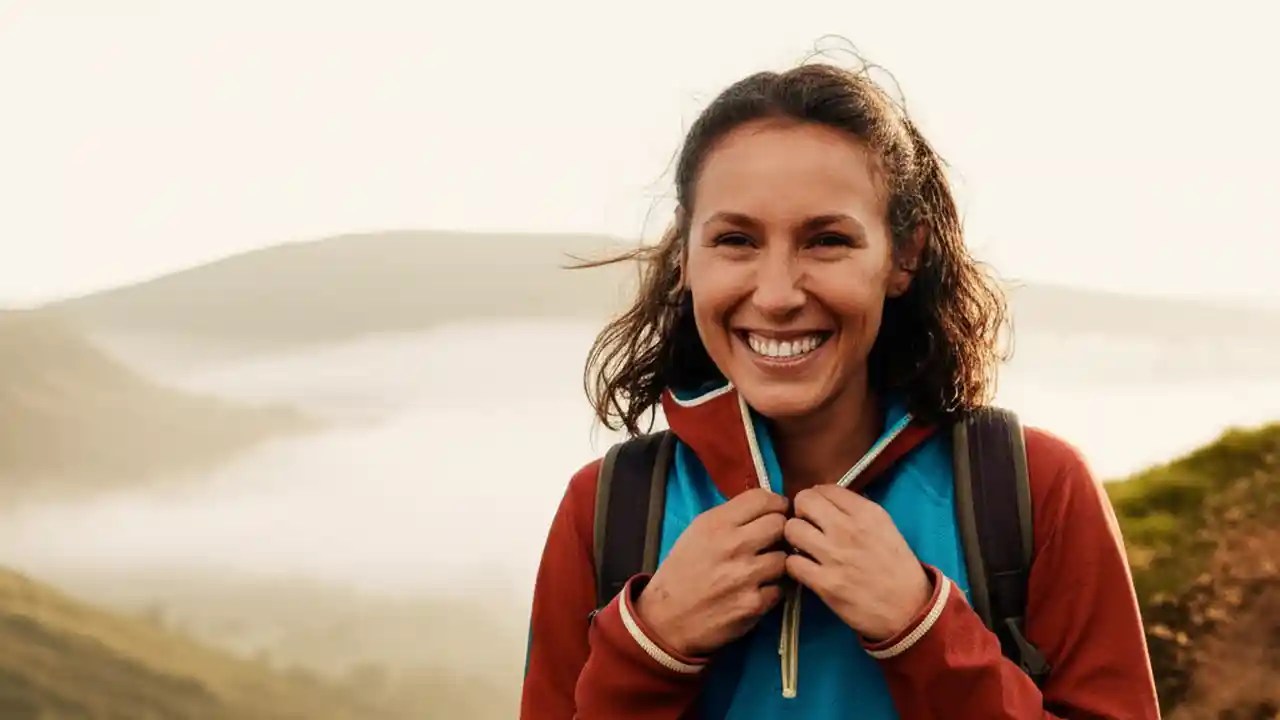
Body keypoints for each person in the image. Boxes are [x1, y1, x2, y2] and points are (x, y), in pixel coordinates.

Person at [520, 60, 1160, 719]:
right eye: (735, 239)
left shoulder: (1032, 488)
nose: (775, 295)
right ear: (685, 252)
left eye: (827, 241)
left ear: (903, 256)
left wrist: (925, 632)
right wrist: (651, 650)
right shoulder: (608, 507)